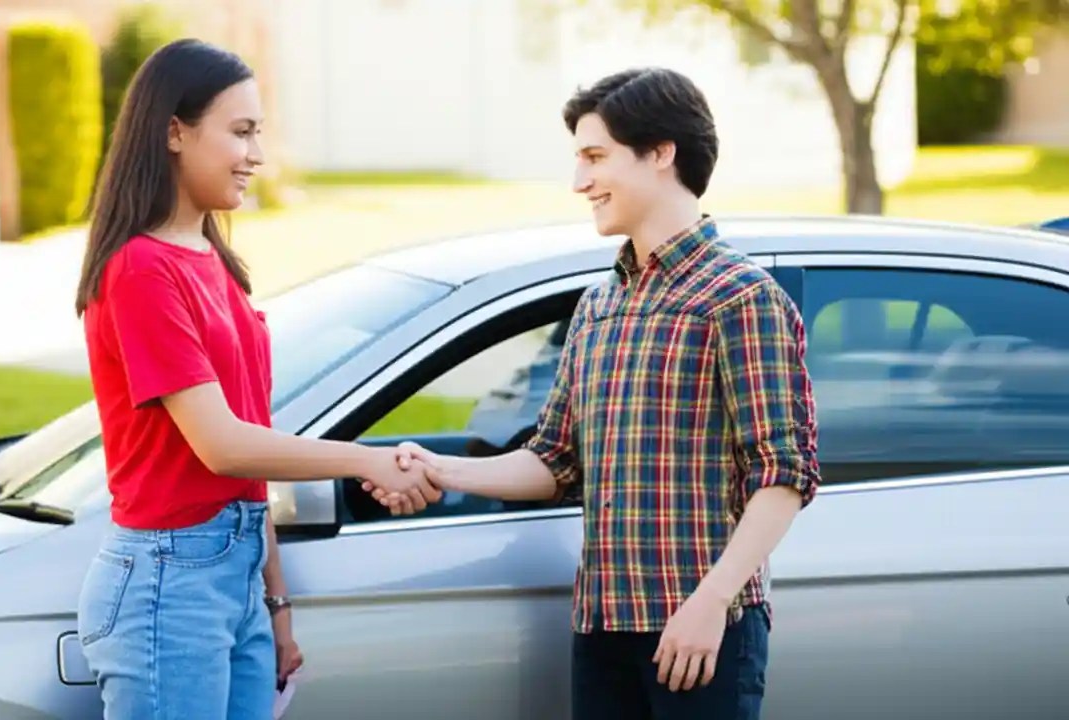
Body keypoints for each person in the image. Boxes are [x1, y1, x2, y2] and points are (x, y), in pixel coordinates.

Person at [382, 68, 821, 719]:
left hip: (701, 629)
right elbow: (556, 461)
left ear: (661, 152)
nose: (579, 182)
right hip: (602, 626)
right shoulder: (598, 306)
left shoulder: (741, 298)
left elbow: (784, 475)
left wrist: (709, 605)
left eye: (595, 157)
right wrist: (440, 468)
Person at [73, 39, 439, 720]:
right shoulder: (141, 270)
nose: (257, 155)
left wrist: (273, 600)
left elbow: (250, 448)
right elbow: (224, 446)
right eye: (240, 132)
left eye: (258, 133)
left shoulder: (213, 258)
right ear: (174, 132)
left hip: (233, 574)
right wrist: (369, 461)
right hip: (168, 585)